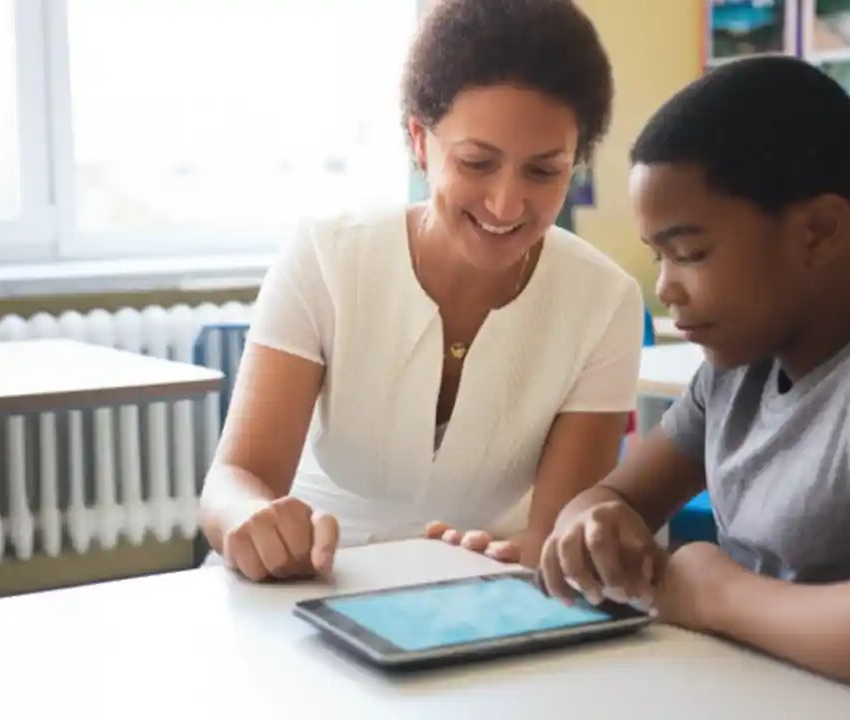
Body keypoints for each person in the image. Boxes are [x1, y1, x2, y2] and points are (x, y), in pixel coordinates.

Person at [538, 56, 850, 709]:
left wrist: (721, 597)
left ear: (819, 231)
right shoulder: (738, 367)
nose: (666, 287)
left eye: (690, 253)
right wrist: (591, 529)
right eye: (659, 257)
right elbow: (613, 499)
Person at [200, 0, 643, 580]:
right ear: (419, 140)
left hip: (483, 590)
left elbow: (556, 538)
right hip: (311, 578)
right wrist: (255, 523)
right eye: (477, 162)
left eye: (544, 171)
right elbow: (233, 484)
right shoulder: (327, 258)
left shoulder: (604, 301)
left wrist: (528, 561)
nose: (506, 204)